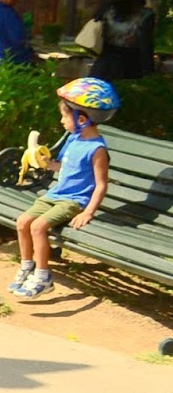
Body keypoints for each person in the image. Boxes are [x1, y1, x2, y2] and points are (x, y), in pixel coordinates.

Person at [10, 77, 118, 299]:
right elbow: (64, 166)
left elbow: (101, 185)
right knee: (23, 222)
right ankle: (27, 266)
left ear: (82, 119)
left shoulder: (97, 149)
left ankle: (43, 277)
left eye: (64, 116)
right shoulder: (73, 139)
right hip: (55, 195)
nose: (61, 121)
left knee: (38, 227)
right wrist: (46, 163)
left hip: (73, 201)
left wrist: (88, 211)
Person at [89, 0, 156, 82]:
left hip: (103, 66)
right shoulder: (146, 15)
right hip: (131, 68)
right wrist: (150, 72)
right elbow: (146, 46)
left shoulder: (108, 9)